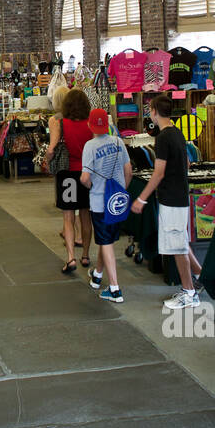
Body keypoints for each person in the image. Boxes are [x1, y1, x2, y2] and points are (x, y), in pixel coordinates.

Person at [131, 93, 203, 310]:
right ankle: (200, 275)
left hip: (171, 198)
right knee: (180, 239)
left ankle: (189, 292)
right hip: (180, 194)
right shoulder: (178, 133)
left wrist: (142, 198)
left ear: (153, 111)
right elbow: (187, 163)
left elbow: (158, 172)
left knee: (178, 246)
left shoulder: (163, 138)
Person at [79, 107, 132, 303]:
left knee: (105, 242)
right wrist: (121, 191)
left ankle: (115, 289)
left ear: (90, 125)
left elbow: (85, 178)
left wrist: (91, 185)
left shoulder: (90, 146)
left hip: (99, 201)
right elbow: (129, 171)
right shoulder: (119, 142)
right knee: (106, 239)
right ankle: (97, 276)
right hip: (117, 202)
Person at [42, 87, 93, 275]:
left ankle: (70, 257)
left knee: (68, 217)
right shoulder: (91, 124)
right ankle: (86, 255)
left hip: (67, 175)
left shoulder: (59, 122)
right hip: (87, 175)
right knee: (86, 216)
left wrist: (48, 160)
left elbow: (51, 149)